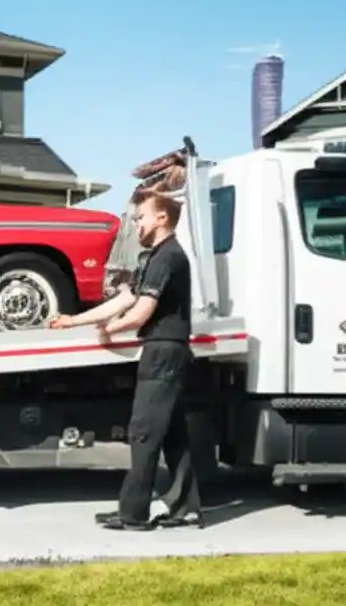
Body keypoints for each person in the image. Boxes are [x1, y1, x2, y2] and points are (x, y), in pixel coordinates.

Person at [50, 186, 202, 531]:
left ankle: (133, 514)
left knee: (144, 433)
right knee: (173, 435)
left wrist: (111, 330)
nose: (136, 224)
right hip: (166, 352)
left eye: (141, 217)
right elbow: (124, 300)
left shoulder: (169, 257)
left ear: (162, 218)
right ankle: (184, 508)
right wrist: (73, 320)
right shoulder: (155, 256)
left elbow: (140, 312)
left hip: (164, 352)